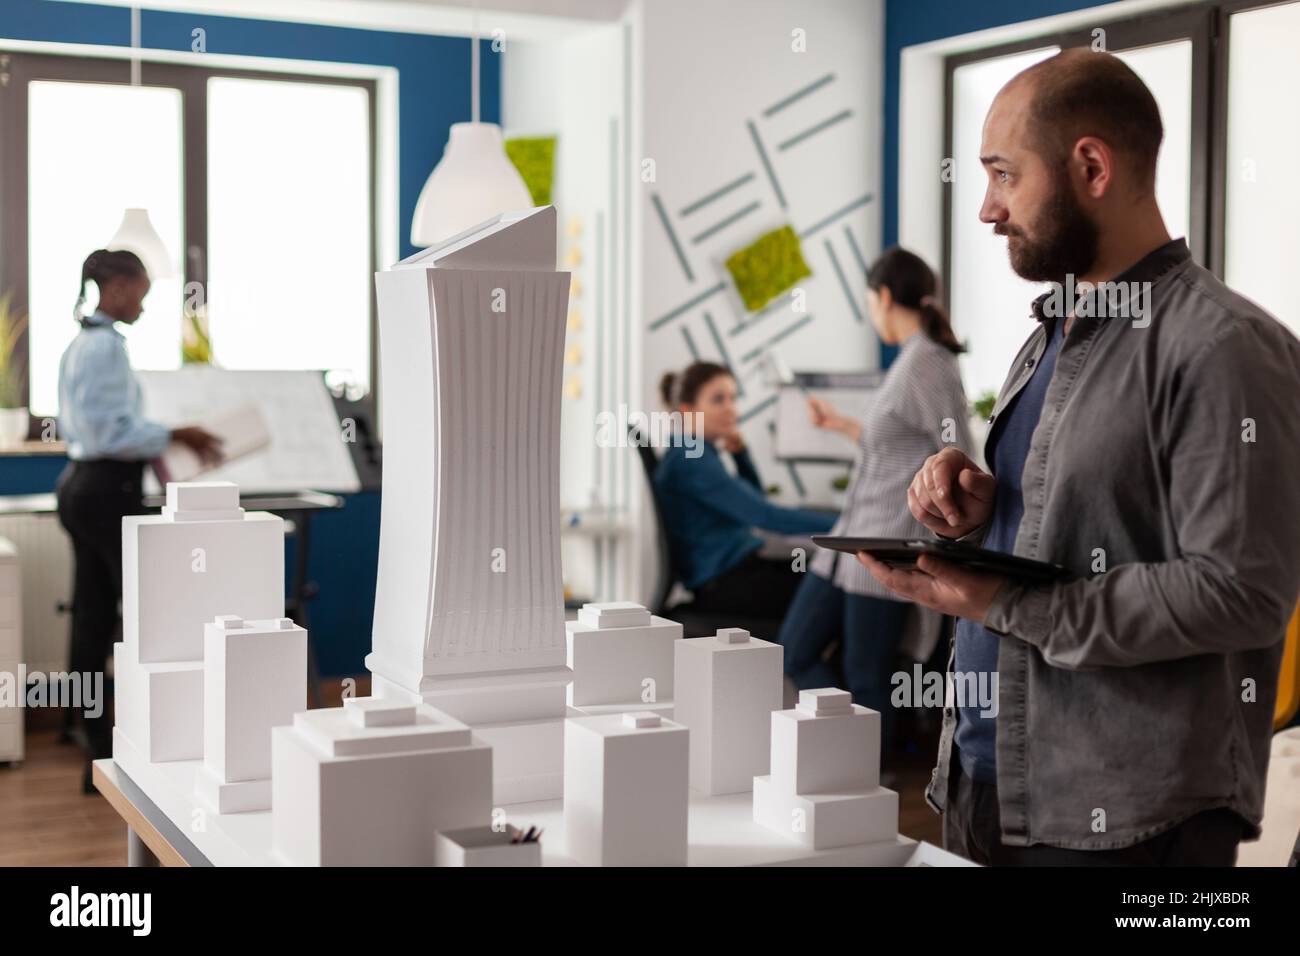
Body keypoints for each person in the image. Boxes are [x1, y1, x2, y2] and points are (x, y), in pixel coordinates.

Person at [858, 49, 1300, 865]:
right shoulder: (1048, 336)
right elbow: (1086, 520)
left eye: (1002, 175)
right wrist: (981, 506)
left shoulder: (1224, 349)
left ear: (1090, 165)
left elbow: (1241, 592)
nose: (987, 210)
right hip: (986, 782)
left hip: (1127, 818)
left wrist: (1006, 604)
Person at [777, 247, 971, 771]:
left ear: (884, 297)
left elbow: (960, 454)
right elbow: (896, 446)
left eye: (868, 301)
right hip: (849, 542)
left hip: (883, 545)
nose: (870, 311)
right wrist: (840, 424)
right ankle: (848, 751)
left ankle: (867, 775)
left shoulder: (928, 362)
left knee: (867, 675)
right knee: (793, 652)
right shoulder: (908, 359)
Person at [56, 248, 221, 793]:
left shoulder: (84, 343)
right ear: (118, 286)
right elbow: (109, 435)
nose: (145, 305)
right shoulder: (103, 349)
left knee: (92, 621)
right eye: (143, 292)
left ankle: (98, 753)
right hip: (107, 491)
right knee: (145, 618)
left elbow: (103, 428)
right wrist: (177, 434)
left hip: (85, 488)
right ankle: (132, 750)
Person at [653, 362, 833, 619]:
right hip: (727, 582)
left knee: (819, 569)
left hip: (732, 572)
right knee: (833, 578)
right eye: (718, 400)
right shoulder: (691, 459)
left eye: (733, 398)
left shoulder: (693, 452)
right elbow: (765, 516)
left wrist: (740, 456)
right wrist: (844, 523)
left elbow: (757, 502)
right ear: (688, 411)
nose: (731, 409)